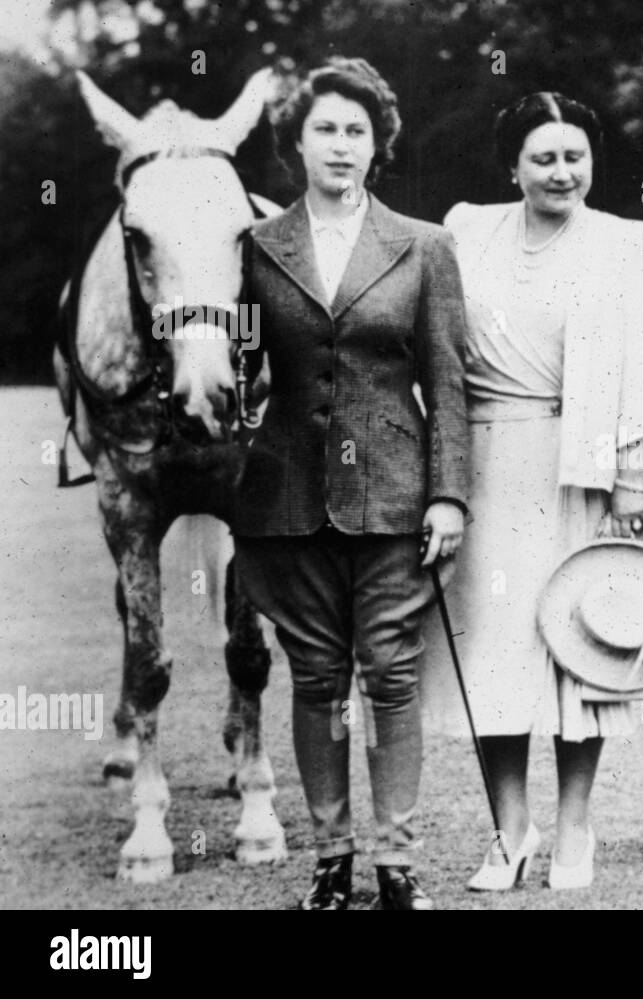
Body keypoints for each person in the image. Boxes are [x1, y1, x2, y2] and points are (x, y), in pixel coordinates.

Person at [422, 91, 643, 891]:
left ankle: (573, 827)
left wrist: (637, 478)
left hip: (584, 473)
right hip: (486, 471)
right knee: (490, 653)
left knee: (583, 649)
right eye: (544, 156)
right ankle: (510, 829)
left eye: (575, 156)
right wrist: (442, 481)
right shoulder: (463, 228)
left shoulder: (629, 241)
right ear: (513, 165)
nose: (562, 171)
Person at [233, 57, 470, 910]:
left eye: (357, 132)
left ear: (379, 146)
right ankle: (331, 858)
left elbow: (449, 382)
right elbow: (236, 371)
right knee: (317, 678)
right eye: (325, 129)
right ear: (296, 144)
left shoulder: (425, 245)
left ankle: (394, 861)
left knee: (393, 676)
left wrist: (449, 494)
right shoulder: (255, 251)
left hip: (396, 499)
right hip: (287, 500)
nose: (342, 145)